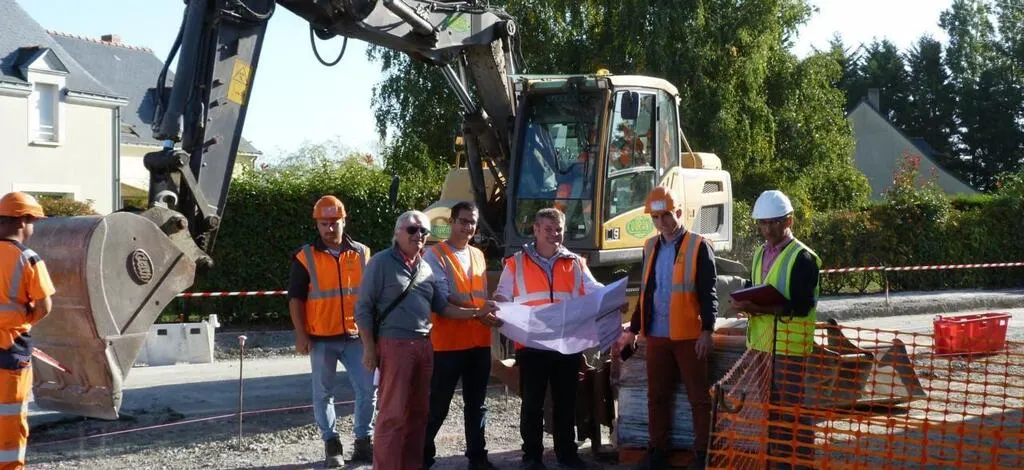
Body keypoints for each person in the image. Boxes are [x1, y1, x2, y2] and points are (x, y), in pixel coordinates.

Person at [355, 210, 499, 470]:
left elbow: (442, 307)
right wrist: (368, 348)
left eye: (424, 231)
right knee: (393, 415)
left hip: (424, 346)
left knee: (419, 415)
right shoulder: (380, 263)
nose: (418, 235)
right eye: (412, 229)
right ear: (397, 232)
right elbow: (363, 308)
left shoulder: (424, 267)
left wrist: (477, 313)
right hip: (395, 345)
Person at [493, 207, 605, 470]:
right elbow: (502, 295)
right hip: (532, 344)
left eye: (559, 230)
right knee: (532, 403)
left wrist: (613, 299)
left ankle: (567, 453)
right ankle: (532, 457)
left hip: (566, 343)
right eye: (548, 229)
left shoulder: (575, 262)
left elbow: (594, 290)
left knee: (566, 401)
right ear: (536, 230)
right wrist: (495, 308)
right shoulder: (516, 263)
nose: (555, 234)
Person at [618, 186, 717, 470]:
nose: (662, 222)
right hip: (657, 335)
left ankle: (702, 456)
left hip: (689, 336)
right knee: (656, 397)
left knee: (698, 397)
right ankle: (658, 452)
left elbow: (707, 292)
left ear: (679, 213)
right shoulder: (650, 246)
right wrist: (633, 329)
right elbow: (647, 291)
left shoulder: (699, 245)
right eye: (656, 217)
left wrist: (707, 330)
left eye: (666, 216)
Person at [730, 190, 820, 470]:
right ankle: (776, 462)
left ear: (789, 221)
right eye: (762, 223)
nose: (766, 228)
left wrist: (760, 309)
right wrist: (745, 302)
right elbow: (757, 287)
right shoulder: (759, 254)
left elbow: (802, 306)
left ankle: (798, 464)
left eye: (772, 222)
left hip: (789, 347)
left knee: (791, 411)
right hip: (761, 345)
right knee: (771, 410)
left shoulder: (803, 258)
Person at [287, 195, 375, 467]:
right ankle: (331, 444)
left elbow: (371, 297)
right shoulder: (305, 257)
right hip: (320, 338)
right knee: (323, 393)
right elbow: (295, 299)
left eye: (334, 222)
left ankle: (363, 442)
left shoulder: (362, 253)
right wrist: (301, 334)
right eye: (324, 223)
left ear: (343, 221)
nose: (329, 228)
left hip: (355, 336)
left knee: (368, 390)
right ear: (317, 224)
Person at [422, 202, 500, 470]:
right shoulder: (435, 254)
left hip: (478, 340)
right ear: (452, 221)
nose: (468, 227)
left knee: (477, 405)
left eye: (472, 222)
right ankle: (421, 457)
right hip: (448, 343)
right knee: (438, 405)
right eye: (464, 221)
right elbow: (444, 296)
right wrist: (480, 311)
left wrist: (488, 311)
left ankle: (477, 458)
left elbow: (479, 295)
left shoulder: (478, 255)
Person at [0, 192, 55, 470]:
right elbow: (45, 305)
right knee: (10, 417)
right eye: (34, 221)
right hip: (10, 350)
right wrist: (24, 321)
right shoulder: (28, 258)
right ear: (23, 220)